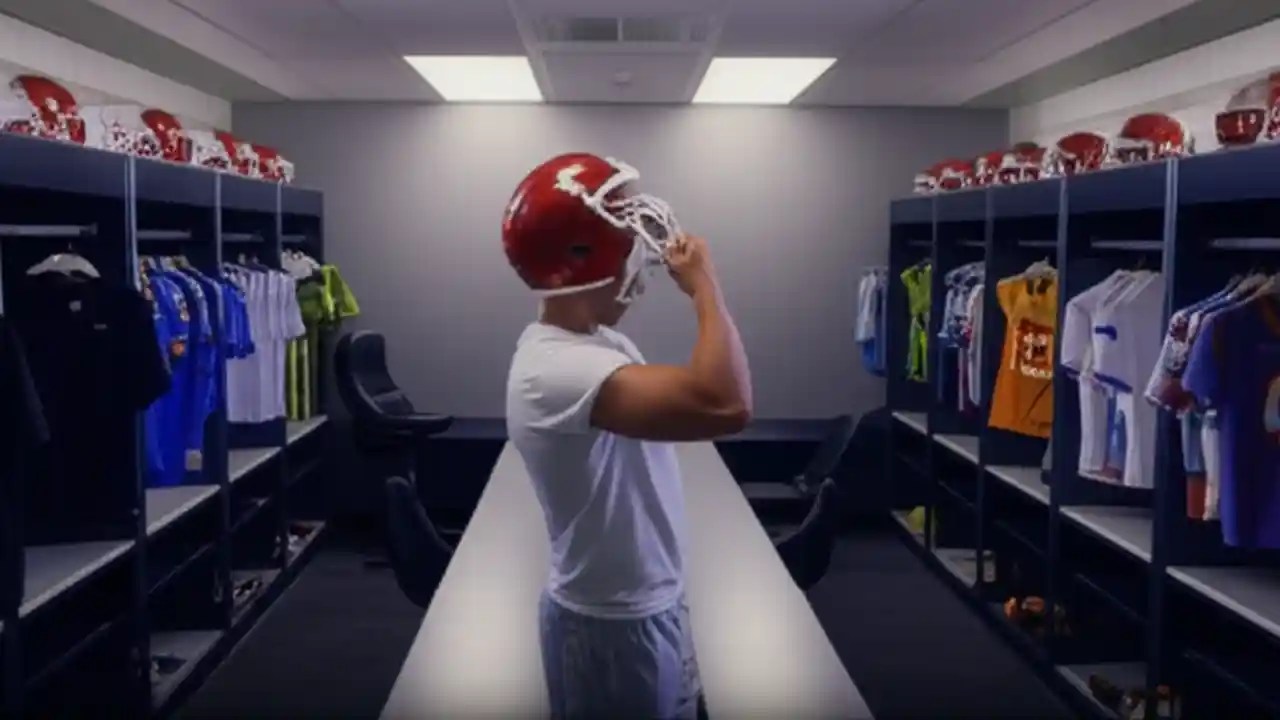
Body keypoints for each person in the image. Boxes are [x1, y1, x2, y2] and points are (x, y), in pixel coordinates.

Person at [502, 152, 753, 719]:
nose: (644, 251)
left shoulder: (600, 345)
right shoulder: (555, 370)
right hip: (612, 625)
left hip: (644, 607)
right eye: (628, 231)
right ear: (582, 256)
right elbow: (727, 402)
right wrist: (706, 289)